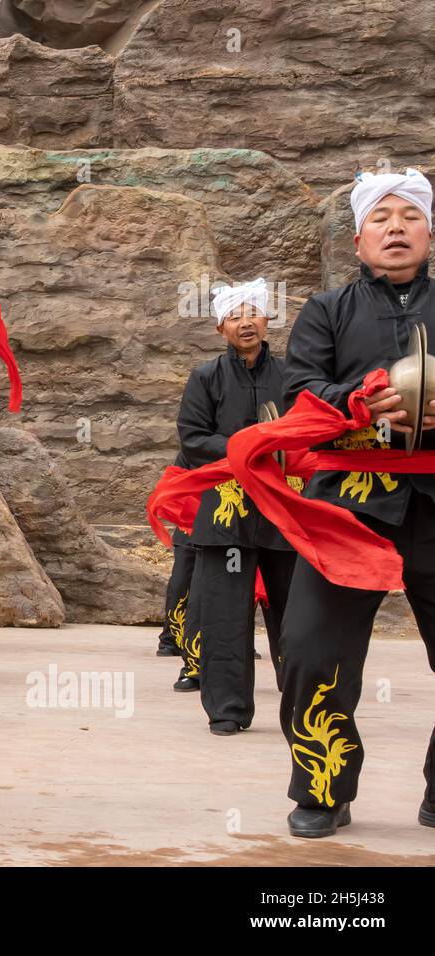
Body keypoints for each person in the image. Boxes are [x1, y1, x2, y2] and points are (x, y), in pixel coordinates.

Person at [278, 168, 435, 837]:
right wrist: (364, 401)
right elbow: (298, 394)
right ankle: (322, 789)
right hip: (347, 507)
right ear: (358, 239)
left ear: (431, 232)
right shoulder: (326, 312)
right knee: (311, 648)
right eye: (381, 217)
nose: (395, 226)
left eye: (410, 215)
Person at [171, 279, 296, 734]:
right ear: (221, 327)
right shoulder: (205, 377)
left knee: (295, 612)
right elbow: (193, 440)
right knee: (225, 615)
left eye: (253, 313)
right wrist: (248, 448)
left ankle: (301, 705)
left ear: (266, 320)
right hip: (226, 510)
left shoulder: (291, 375)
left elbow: (308, 430)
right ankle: (228, 710)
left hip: (283, 508)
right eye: (235, 316)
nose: (246, 322)